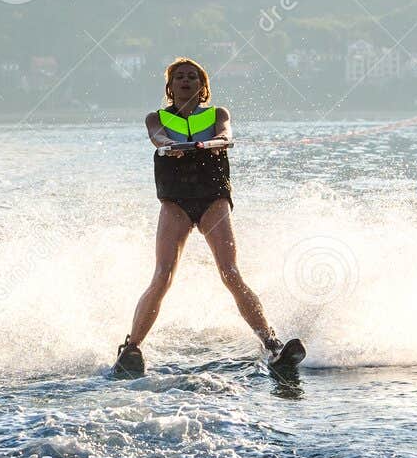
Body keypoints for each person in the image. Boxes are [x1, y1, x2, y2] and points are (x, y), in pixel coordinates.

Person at [112, 58, 304, 378]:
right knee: (163, 274)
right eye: (178, 77)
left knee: (230, 272)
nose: (185, 80)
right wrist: (170, 146)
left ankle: (271, 343)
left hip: (213, 199)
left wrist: (215, 142)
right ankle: (131, 348)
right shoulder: (155, 118)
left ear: (203, 87)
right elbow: (157, 137)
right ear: (169, 87)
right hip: (176, 202)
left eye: (192, 77)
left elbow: (226, 134)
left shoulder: (218, 114)